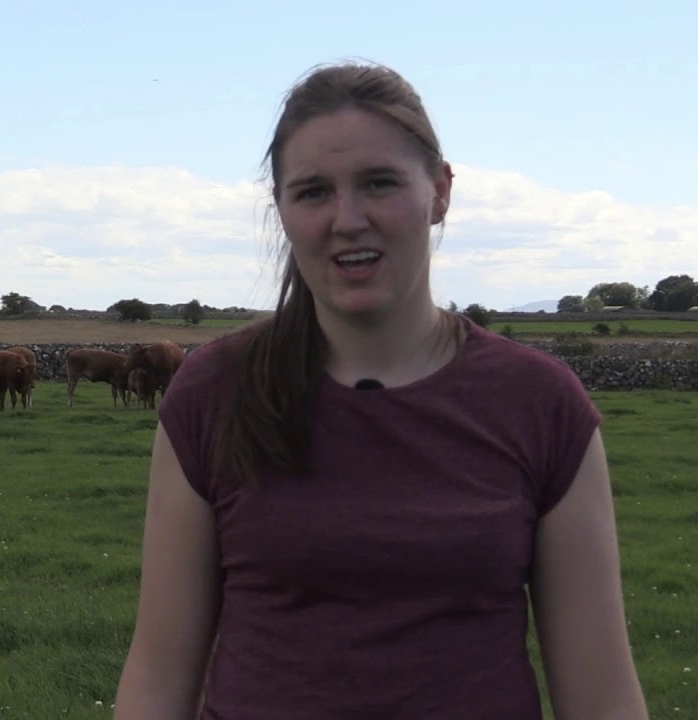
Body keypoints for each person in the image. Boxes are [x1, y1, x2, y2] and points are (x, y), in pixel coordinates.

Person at [112, 61, 649, 719]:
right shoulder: (212, 395)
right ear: (281, 210)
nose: (348, 219)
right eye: (313, 192)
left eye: (379, 183)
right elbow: (159, 678)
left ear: (440, 192)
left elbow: (602, 698)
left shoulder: (541, 405)